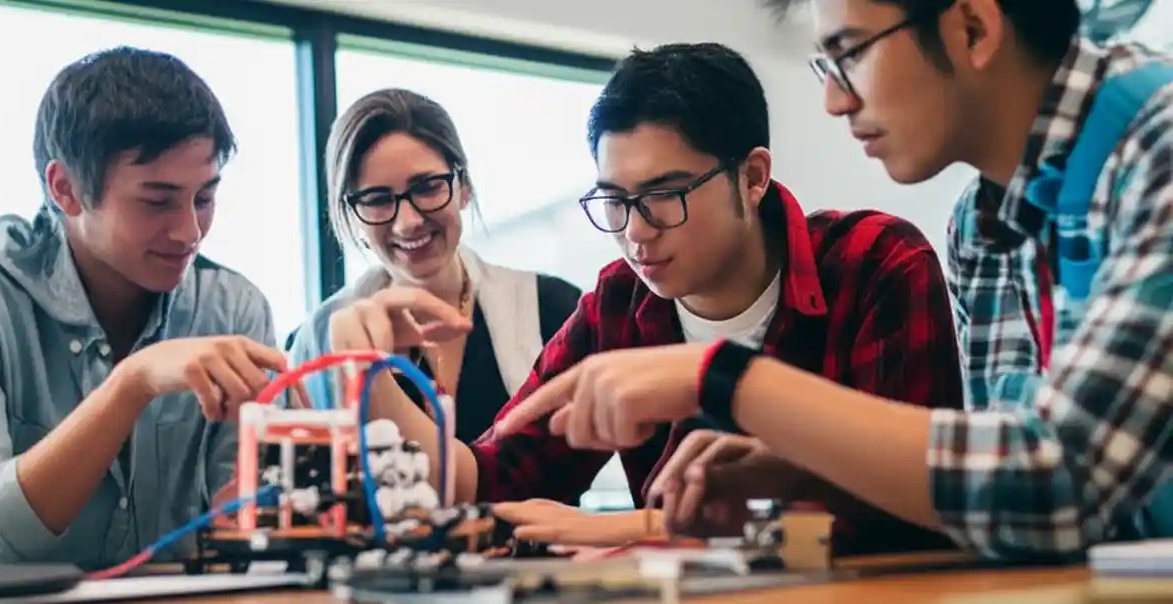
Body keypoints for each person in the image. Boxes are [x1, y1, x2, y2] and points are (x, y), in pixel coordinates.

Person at [497, 0, 1173, 560]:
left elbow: (1055, 491)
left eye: (850, 53)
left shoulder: (1157, 151)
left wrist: (723, 377)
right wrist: (794, 473)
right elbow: (997, 492)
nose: (833, 99)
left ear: (972, 27)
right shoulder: (984, 222)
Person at [327, 43, 966, 556]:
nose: (634, 231)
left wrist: (643, 529)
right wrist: (367, 371)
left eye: (664, 195)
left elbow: (908, 513)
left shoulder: (875, 263)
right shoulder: (620, 303)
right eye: (615, 200)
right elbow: (488, 481)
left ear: (752, 177)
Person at [0, 47, 286, 569]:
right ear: (66, 189)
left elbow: (248, 537)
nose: (190, 232)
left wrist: (267, 494)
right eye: (157, 200)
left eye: (204, 198)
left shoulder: (233, 309)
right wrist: (130, 385)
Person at [287, 88, 581, 444]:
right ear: (352, 217)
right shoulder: (318, 338)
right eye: (377, 199)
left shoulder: (554, 310)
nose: (408, 222)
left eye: (427, 187)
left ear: (464, 186)